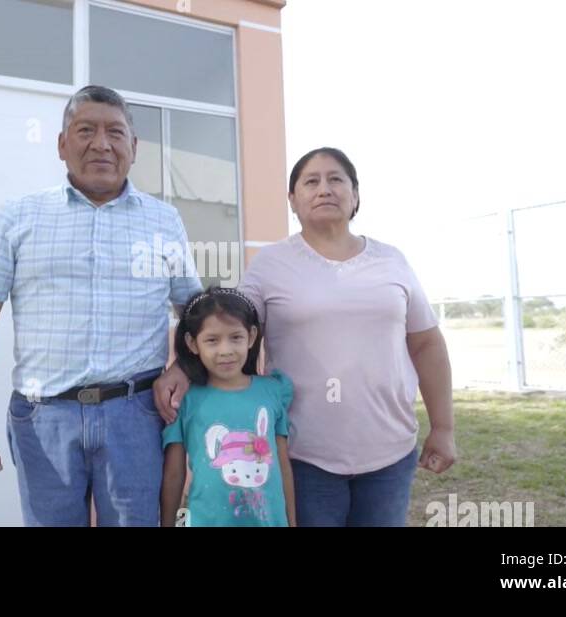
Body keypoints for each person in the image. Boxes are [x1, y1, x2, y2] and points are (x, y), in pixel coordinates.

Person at [155, 147, 456, 526]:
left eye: (336, 179)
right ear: (293, 200)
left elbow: (426, 343)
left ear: (356, 194)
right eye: (310, 181)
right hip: (304, 455)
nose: (324, 189)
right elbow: (226, 328)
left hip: (390, 454)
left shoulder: (392, 260)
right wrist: (184, 366)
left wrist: (443, 428)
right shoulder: (270, 264)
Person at [0, 85, 202, 526]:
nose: (101, 143)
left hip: (136, 416)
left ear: (134, 148)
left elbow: (193, 313)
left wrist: (182, 366)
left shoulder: (164, 221)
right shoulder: (18, 216)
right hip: (43, 418)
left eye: (115, 133)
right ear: (62, 144)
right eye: (85, 130)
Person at [160, 287, 295, 527]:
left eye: (236, 337)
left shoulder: (272, 392)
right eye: (212, 340)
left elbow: (283, 466)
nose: (225, 350)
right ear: (192, 343)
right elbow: (174, 474)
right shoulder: (185, 399)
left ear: (252, 337)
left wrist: (291, 522)